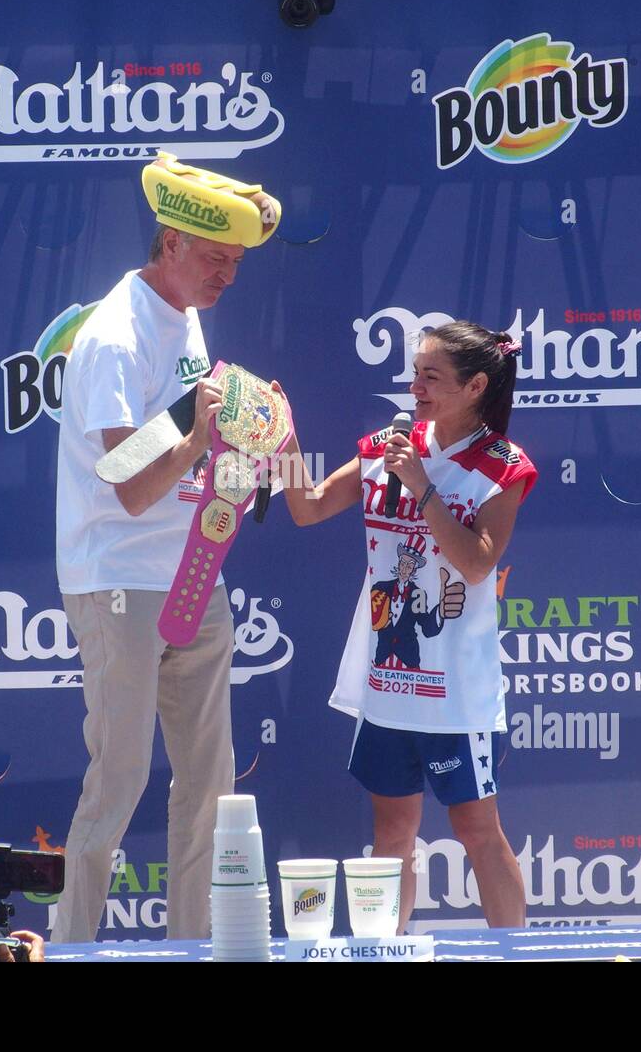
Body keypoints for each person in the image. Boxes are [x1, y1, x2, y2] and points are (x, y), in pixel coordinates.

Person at [52, 155, 280, 943]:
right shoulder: (115, 333)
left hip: (191, 574)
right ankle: (75, 948)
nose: (228, 275)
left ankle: (197, 948)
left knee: (211, 788)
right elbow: (124, 481)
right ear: (173, 241)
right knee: (117, 782)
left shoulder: (184, 313)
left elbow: (178, 435)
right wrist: (197, 439)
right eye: (217, 258)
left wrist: (248, 438)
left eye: (238, 263)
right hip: (118, 580)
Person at [276, 320, 535, 932]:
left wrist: (420, 486)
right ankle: (390, 949)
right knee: (393, 832)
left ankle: (518, 953)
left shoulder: (504, 467)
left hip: (457, 694)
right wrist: (281, 439)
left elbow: (476, 564)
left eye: (431, 376)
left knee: (477, 830)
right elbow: (307, 508)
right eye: (414, 372)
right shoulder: (381, 447)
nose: (415, 386)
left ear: (475, 386)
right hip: (388, 684)